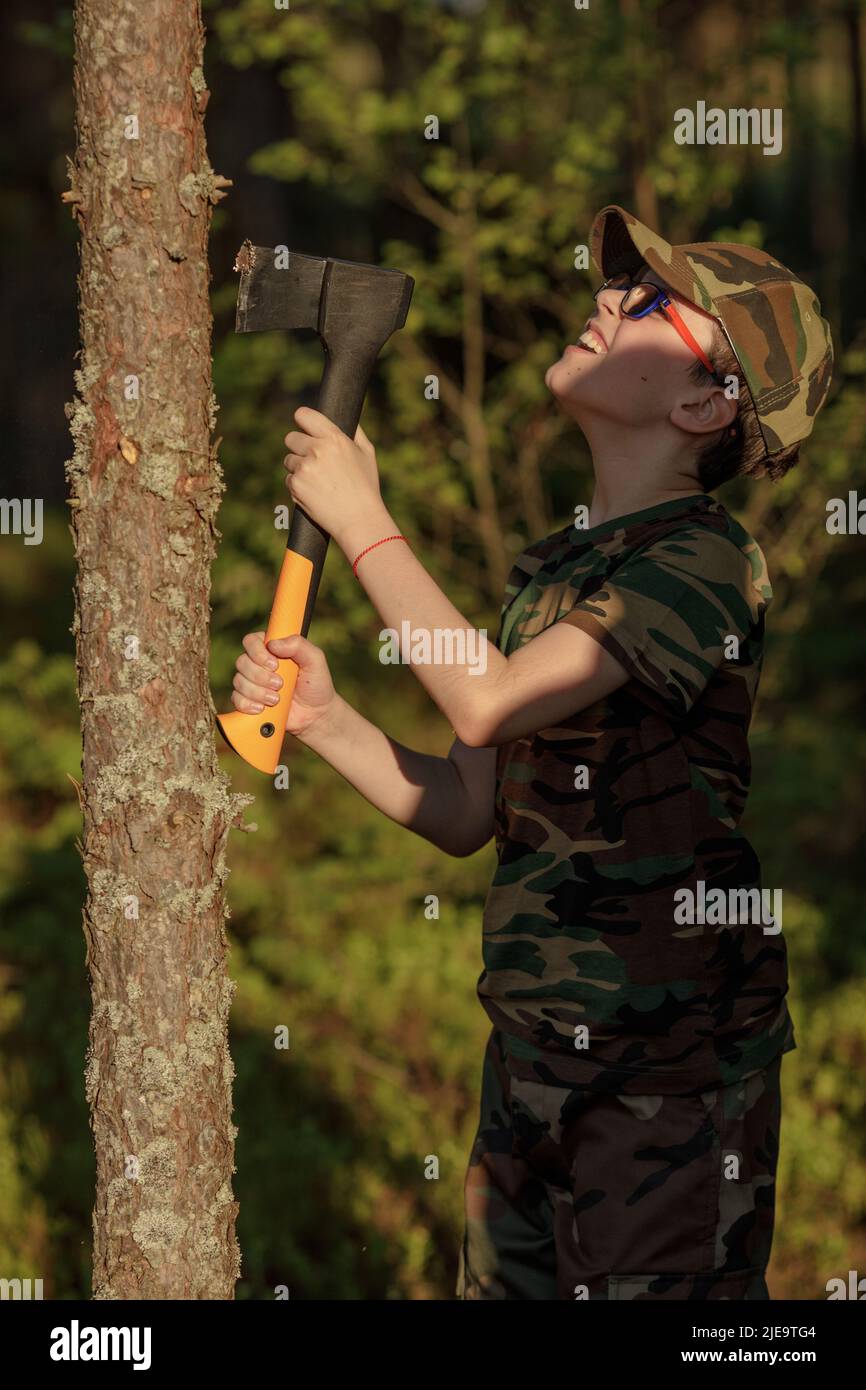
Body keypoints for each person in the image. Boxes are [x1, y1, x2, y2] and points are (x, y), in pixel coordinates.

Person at [228, 204, 833, 1300]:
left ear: (705, 400)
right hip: (533, 1057)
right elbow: (469, 807)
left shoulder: (704, 565)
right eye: (614, 288)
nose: (605, 300)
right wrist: (327, 721)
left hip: (664, 1081)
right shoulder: (553, 569)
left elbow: (486, 699)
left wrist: (363, 520)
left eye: (648, 303)